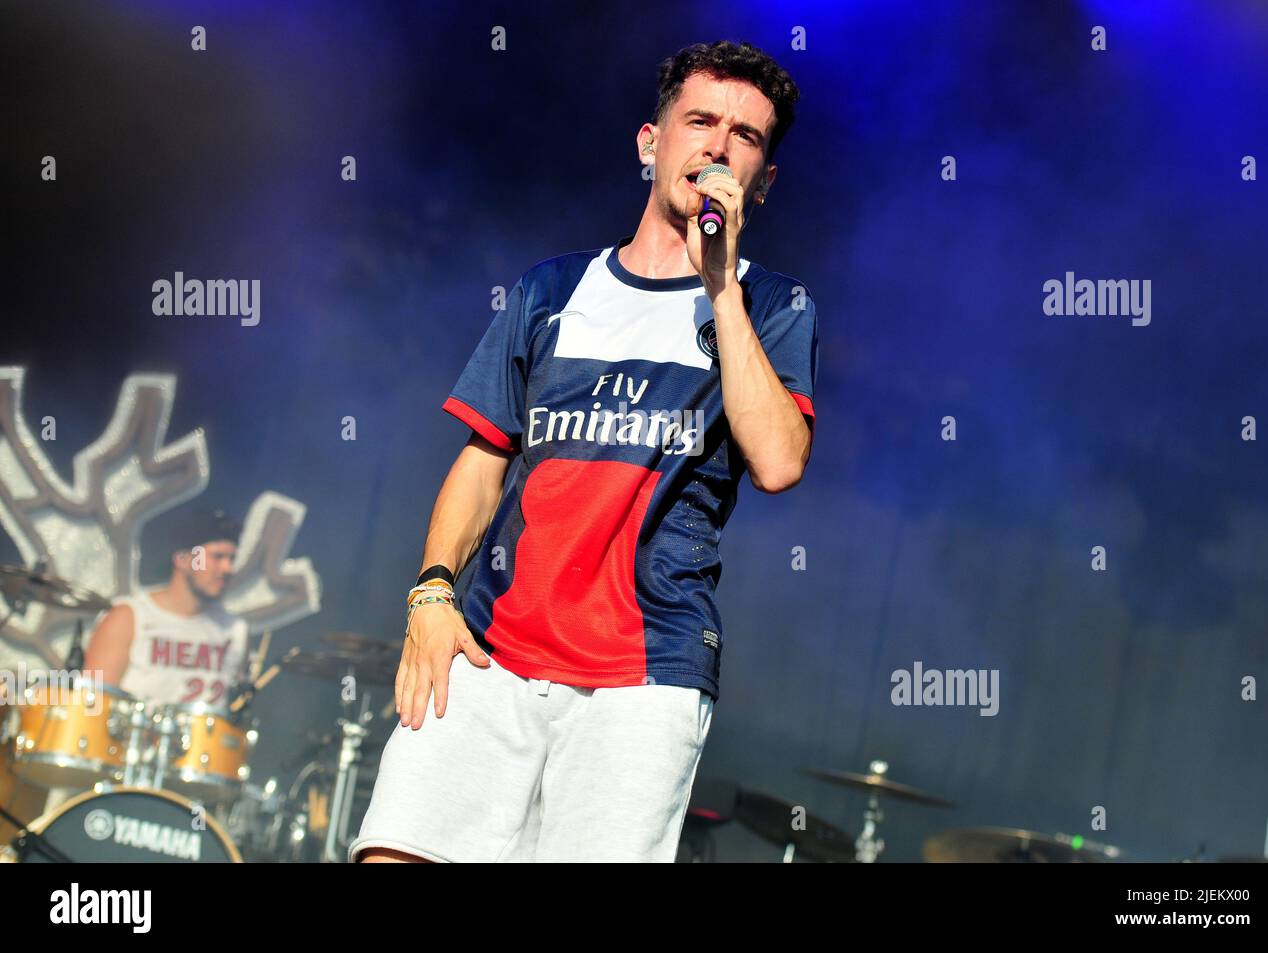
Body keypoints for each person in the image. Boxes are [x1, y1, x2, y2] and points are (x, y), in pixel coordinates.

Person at [352, 39, 817, 863]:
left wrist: (721, 289)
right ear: (651, 143)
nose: (716, 145)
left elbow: (779, 460)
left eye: (744, 136)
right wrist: (430, 593)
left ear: (763, 180)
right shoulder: (551, 292)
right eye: (700, 120)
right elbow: (483, 459)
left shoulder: (773, 306)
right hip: (491, 649)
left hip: (643, 677)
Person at [82, 509, 248, 707]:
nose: (227, 569)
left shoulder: (234, 629)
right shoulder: (129, 616)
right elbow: (92, 703)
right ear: (182, 559)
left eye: (232, 559)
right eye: (217, 557)